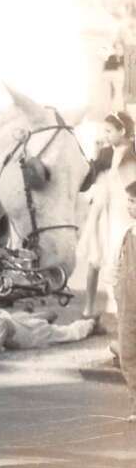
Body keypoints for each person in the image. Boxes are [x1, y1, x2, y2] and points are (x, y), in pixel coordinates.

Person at [78, 112, 136, 327]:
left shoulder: (133, 151)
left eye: (109, 131)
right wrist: (94, 156)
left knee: (122, 258)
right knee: (95, 258)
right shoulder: (104, 153)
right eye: (104, 131)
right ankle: (89, 307)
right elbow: (89, 179)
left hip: (125, 209)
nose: (105, 135)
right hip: (105, 210)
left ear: (122, 130)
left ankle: (123, 309)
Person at [0, 305, 96, 357]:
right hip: (23, 324)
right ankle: (45, 316)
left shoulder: (0, 322)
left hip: (35, 334)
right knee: (29, 317)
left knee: (67, 333)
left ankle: (91, 323)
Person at [113, 179, 136, 422]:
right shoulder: (127, 234)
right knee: (128, 352)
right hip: (128, 301)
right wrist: (117, 292)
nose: (131, 206)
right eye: (130, 201)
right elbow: (117, 266)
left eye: (135, 202)